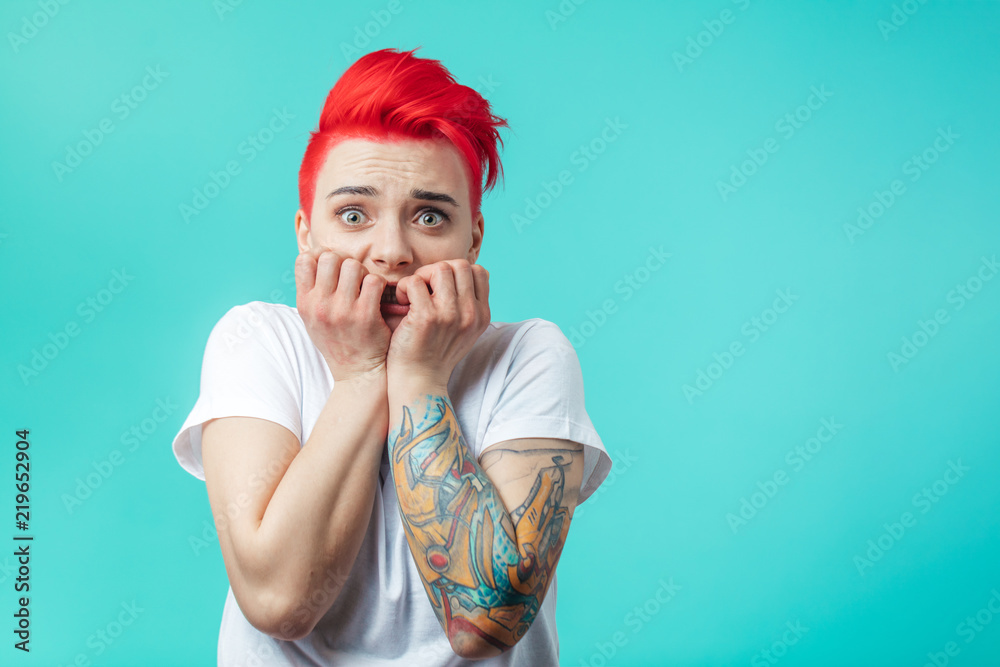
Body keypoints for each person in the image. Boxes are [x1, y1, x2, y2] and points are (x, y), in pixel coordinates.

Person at [171, 47, 612, 666]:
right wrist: (360, 375)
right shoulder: (254, 340)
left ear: (473, 239)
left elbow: (485, 623)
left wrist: (420, 375)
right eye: (354, 213)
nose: (392, 251)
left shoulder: (529, 355)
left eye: (429, 216)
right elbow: (278, 603)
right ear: (306, 232)